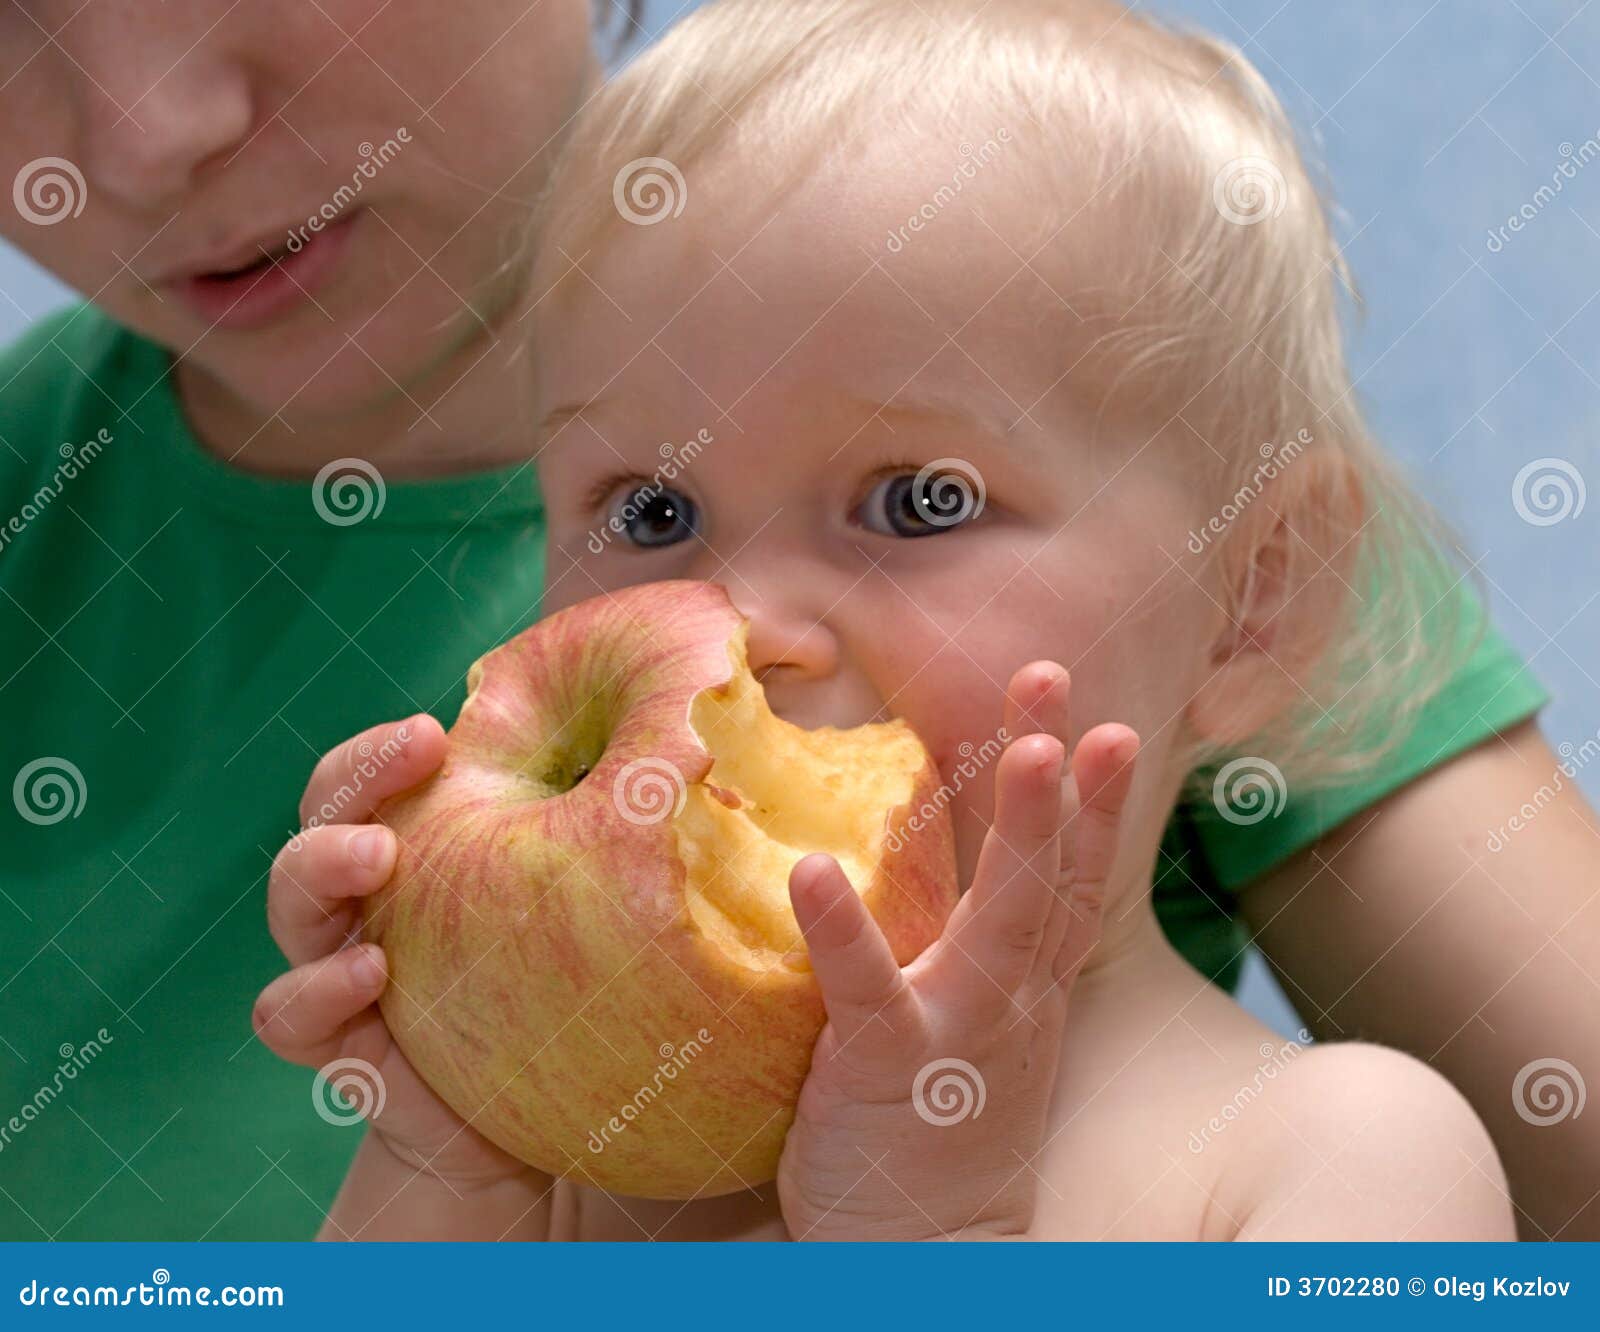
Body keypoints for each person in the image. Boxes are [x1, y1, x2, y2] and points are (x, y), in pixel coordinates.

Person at [0, 0, 1589, 1240]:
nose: (740, 625)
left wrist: (930, 1249)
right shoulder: (606, 1165)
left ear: (1254, 604)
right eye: (651, 516)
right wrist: (441, 1161)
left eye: (919, 504)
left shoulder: (1343, 1159)